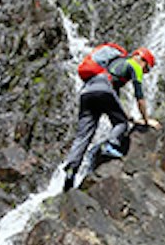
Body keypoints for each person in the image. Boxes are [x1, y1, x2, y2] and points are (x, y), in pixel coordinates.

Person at [62, 44, 158, 191]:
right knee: (121, 124)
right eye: (146, 69)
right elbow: (140, 97)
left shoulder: (112, 67)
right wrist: (146, 120)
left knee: (84, 135)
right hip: (103, 90)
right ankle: (109, 145)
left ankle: (71, 170)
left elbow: (115, 104)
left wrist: (132, 118)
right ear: (141, 59)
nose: (144, 72)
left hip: (87, 92)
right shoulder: (134, 65)